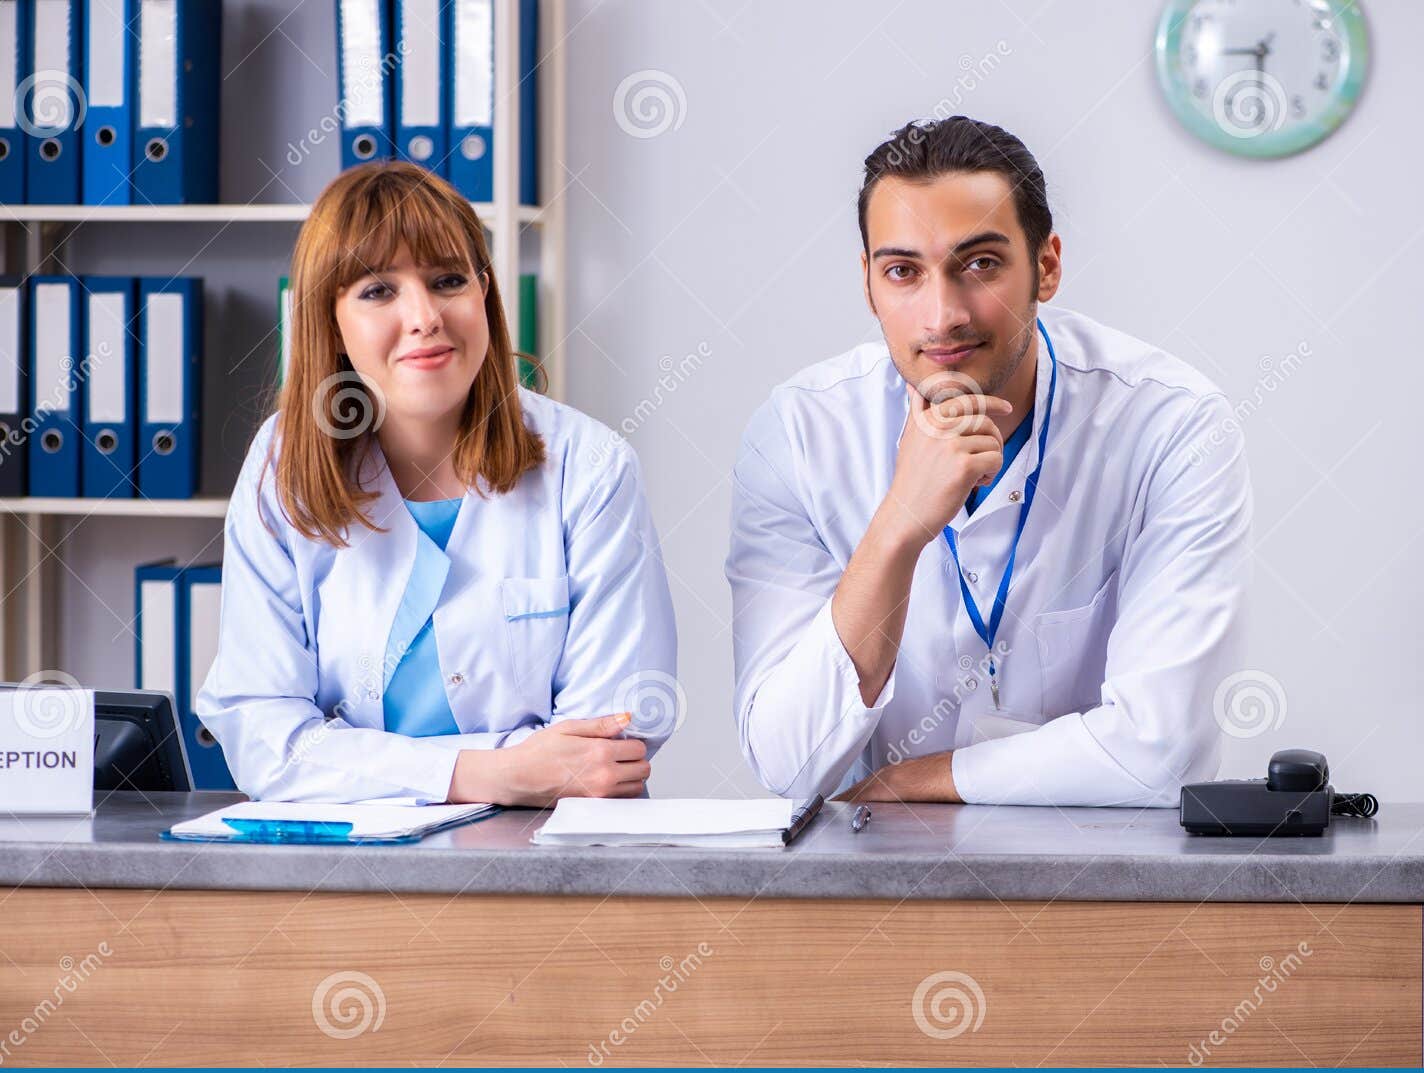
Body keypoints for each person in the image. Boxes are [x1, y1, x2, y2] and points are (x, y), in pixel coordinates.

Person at [726, 117, 1252, 807]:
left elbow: (1159, 750)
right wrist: (898, 527)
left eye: (980, 265)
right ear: (868, 284)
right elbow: (788, 764)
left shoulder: (1174, 425)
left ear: (1048, 265)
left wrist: (914, 780)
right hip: (875, 889)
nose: (942, 316)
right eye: (903, 272)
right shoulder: (797, 433)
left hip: (1111, 883)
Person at [198, 161, 676, 804]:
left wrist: (350, 762)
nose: (423, 316)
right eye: (377, 291)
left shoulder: (589, 467)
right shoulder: (283, 465)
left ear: (484, 293)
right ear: (330, 321)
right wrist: (495, 772)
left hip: (554, 864)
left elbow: (603, 749)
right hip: (342, 869)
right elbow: (262, 737)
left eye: (447, 280)